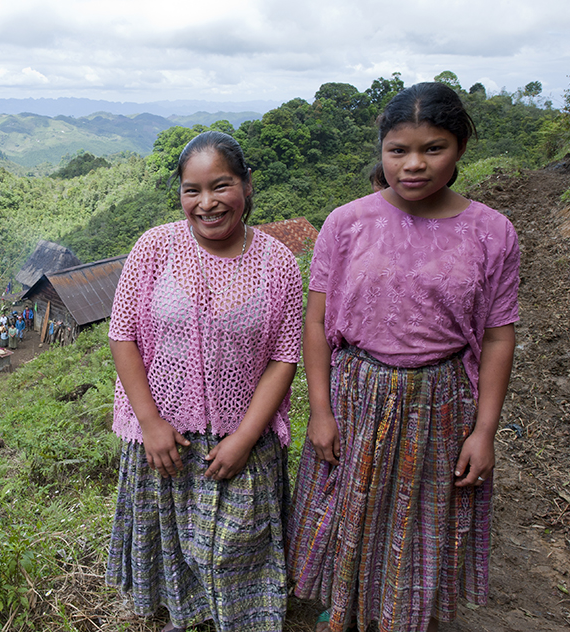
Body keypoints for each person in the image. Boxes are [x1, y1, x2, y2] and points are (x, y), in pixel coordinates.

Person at [287, 82, 520, 632]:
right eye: (398, 150)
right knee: (350, 509)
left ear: (460, 148)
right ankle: (342, 609)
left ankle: (404, 616)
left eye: (433, 148)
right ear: (382, 151)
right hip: (357, 393)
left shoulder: (491, 232)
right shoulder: (347, 223)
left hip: (442, 400)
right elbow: (316, 322)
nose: (413, 164)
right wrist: (320, 411)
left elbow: (497, 337)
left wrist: (484, 432)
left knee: (421, 519)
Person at [105, 130, 303, 632]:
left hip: (243, 438)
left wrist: (244, 438)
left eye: (221, 186)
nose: (207, 203)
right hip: (166, 438)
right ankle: (186, 618)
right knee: (173, 546)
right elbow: (123, 335)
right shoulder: (155, 248)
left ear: (247, 184)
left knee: (237, 547)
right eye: (192, 190)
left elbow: (284, 357)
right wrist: (150, 424)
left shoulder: (277, 262)